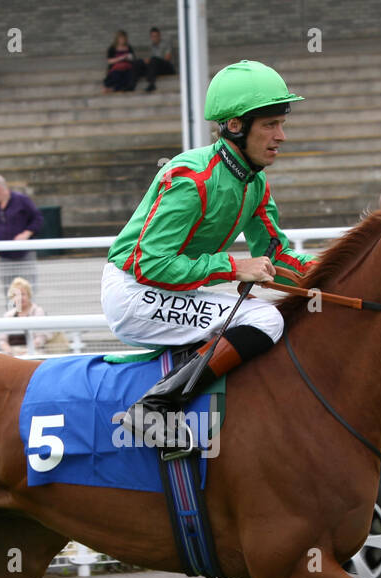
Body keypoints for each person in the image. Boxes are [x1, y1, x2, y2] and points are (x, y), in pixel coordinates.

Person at [103, 59, 316, 449]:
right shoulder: (191, 176)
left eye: (282, 123)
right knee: (266, 318)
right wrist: (234, 266)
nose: (281, 135)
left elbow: (277, 257)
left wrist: (336, 273)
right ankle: (155, 407)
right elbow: (148, 263)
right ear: (235, 126)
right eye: (270, 124)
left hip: (172, 290)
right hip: (133, 291)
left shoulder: (255, 182)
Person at [0, 276, 60, 355]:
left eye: (23, 294)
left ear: (29, 295)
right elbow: (2, 340)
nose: (20, 298)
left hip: (33, 352)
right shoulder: (8, 315)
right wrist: (10, 352)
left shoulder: (37, 311)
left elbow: (41, 338)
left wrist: (26, 352)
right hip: (12, 354)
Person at [134, 27, 176, 93]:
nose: (154, 38)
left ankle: (152, 84)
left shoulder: (166, 44)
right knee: (139, 62)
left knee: (154, 60)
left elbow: (168, 58)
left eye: (156, 36)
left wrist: (154, 60)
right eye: (153, 36)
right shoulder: (152, 46)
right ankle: (132, 84)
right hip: (155, 66)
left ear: (159, 36)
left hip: (166, 67)